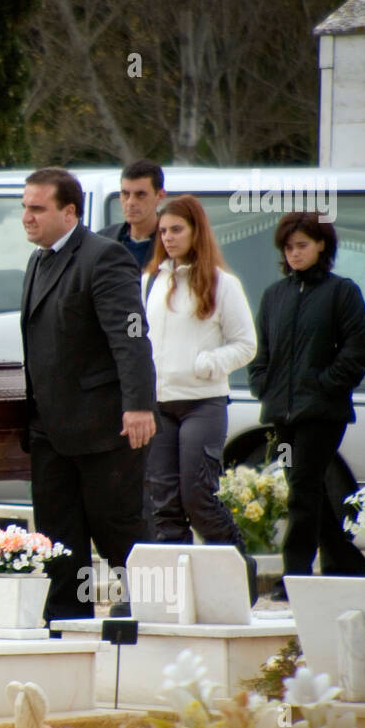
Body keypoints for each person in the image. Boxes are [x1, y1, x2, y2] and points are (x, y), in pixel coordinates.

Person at [20, 167, 157, 620]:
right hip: (50, 430)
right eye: (25, 207)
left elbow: (130, 337)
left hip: (104, 427)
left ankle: (153, 610)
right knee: (59, 538)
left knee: (116, 528)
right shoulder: (38, 260)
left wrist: (138, 405)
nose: (27, 217)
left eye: (38, 208)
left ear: (69, 211)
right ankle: (65, 625)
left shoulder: (105, 257)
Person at [248, 212, 365, 599]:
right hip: (281, 414)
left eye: (302, 245)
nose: (294, 254)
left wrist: (326, 384)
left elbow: (361, 347)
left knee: (302, 489)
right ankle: (346, 562)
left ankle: (296, 576)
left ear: (322, 245)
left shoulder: (342, 291)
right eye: (288, 247)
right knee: (307, 489)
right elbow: (263, 350)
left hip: (322, 414)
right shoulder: (275, 294)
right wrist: (262, 384)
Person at [143, 195, 259, 598]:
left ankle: (238, 575)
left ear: (195, 231)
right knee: (165, 504)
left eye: (177, 229)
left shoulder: (223, 284)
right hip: (159, 404)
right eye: (164, 231)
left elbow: (246, 345)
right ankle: (173, 596)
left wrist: (207, 362)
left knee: (198, 496)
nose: (169, 237)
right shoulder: (152, 281)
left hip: (203, 402)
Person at [98, 159, 166, 271]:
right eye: (125, 194)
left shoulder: (171, 243)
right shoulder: (102, 240)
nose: (130, 202)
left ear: (160, 196)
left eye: (140, 195)